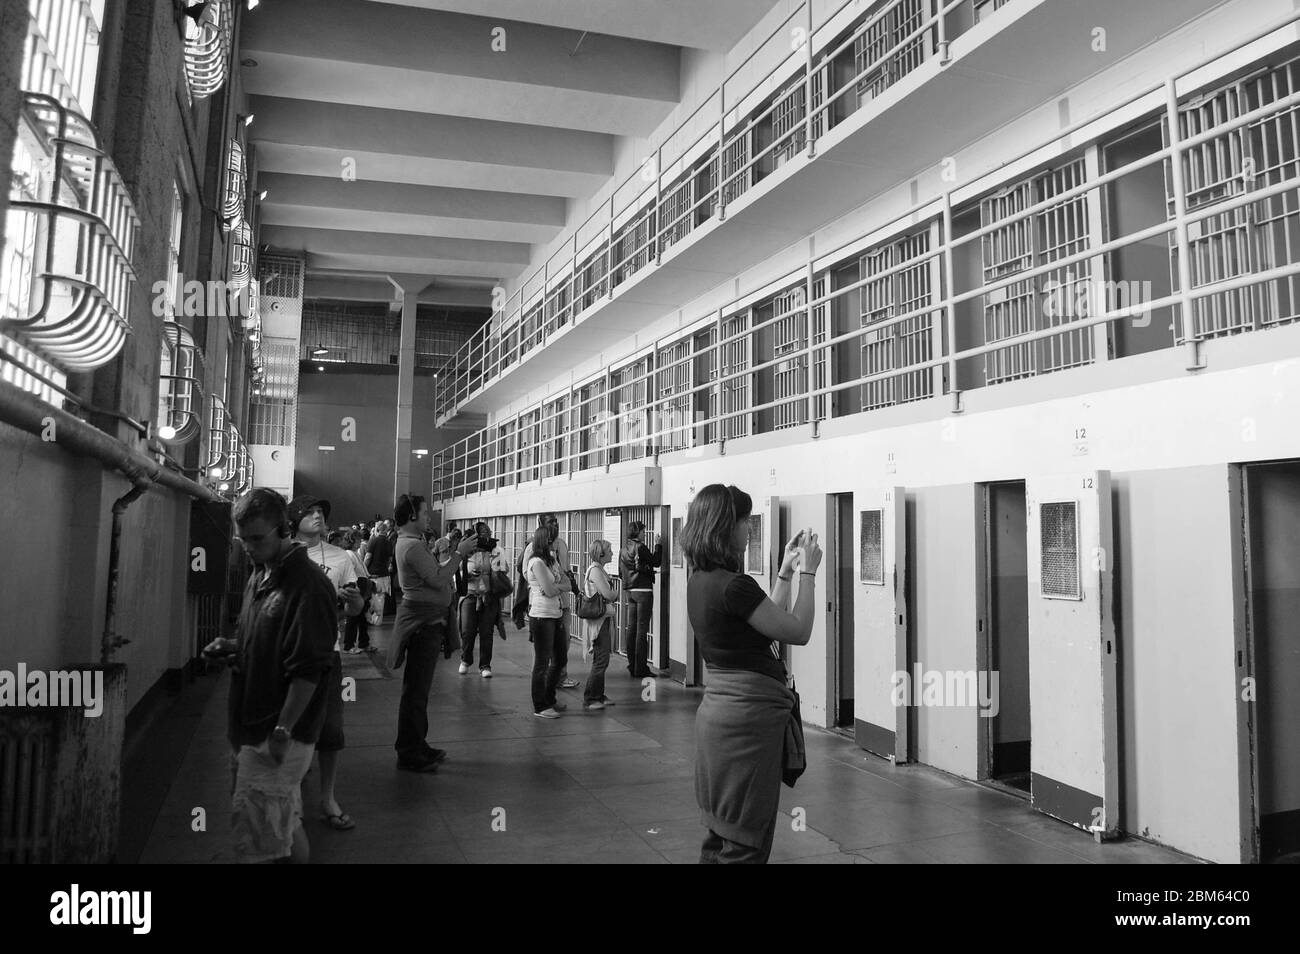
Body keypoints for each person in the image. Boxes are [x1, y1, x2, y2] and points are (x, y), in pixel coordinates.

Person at [682, 484, 822, 864]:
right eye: (745, 521)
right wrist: (808, 572)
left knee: (720, 836)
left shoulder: (701, 580)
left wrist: (784, 573)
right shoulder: (734, 585)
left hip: (720, 721)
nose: (749, 530)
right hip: (747, 723)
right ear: (726, 527)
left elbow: (766, 623)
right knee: (745, 844)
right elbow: (797, 630)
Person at [204, 488, 338, 864]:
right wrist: (233, 647)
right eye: (242, 539)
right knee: (282, 825)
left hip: (277, 733)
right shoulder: (261, 575)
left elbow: (309, 669)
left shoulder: (307, 586)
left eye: (257, 538)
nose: (247, 547)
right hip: (253, 724)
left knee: (263, 837)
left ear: (283, 530)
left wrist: (283, 729)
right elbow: (268, 641)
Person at [288, 495, 367, 833]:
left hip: (327, 653)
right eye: (310, 512)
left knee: (331, 730)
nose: (318, 517)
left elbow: (353, 610)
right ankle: (290, 799)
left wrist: (355, 602)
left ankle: (327, 797)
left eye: (322, 512)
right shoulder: (285, 555)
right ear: (295, 519)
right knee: (290, 729)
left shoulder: (340, 557)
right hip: (289, 655)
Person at [391, 493, 475, 771]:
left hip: (426, 621)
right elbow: (439, 577)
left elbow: (435, 574)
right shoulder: (412, 547)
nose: (429, 516)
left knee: (418, 690)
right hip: (423, 625)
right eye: (425, 512)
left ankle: (417, 744)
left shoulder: (412, 543)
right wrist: (460, 553)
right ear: (412, 515)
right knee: (416, 690)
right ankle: (410, 751)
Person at [456, 521, 509, 678]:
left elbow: (504, 570)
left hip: (488, 596)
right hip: (470, 593)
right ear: (476, 534)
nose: (487, 534)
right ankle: (465, 660)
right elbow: (456, 571)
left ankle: (485, 665)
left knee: (487, 632)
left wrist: (497, 565)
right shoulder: (467, 550)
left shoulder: (496, 550)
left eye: (489, 532)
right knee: (467, 630)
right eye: (483, 532)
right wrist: (469, 575)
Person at [525, 526, 568, 718]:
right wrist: (554, 588)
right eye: (551, 540)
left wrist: (554, 587)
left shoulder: (551, 561)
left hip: (555, 613)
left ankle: (550, 698)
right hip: (542, 616)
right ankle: (540, 705)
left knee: (560, 659)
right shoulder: (536, 562)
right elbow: (549, 591)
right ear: (543, 541)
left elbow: (566, 583)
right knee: (542, 663)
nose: (555, 543)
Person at [620, 520, 664, 679]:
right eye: (643, 531)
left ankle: (632, 665)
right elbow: (656, 561)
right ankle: (641, 668)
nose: (645, 534)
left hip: (629, 591)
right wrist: (658, 545)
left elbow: (621, 571)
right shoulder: (640, 547)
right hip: (643, 590)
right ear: (637, 532)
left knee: (631, 628)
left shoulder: (623, 549)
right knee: (642, 629)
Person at [580, 539, 619, 711]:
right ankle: (590, 698)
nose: (612, 553)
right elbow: (608, 595)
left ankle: (599, 695)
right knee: (601, 659)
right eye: (609, 550)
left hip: (602, 619)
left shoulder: (598, 569)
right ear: (601, 553)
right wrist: (615, 593)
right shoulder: (595, 571)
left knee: (601, 659)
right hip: (598, 621)